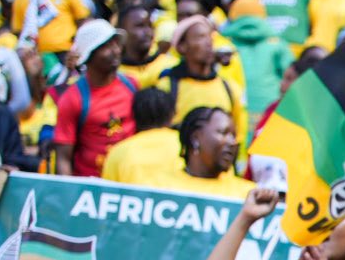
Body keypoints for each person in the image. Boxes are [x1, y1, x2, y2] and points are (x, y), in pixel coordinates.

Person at [52, 19, 135, 177]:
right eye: (106, 47)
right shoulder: (73, 98)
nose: (116, 50)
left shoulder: (131, 85)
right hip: (91, 187)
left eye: (116, 44)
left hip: (127, 184)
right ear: (89, 55)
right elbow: (63, 157)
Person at [159, 16, 248, 149]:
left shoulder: (230, 88)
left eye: (210, 36)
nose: (209, 42)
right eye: (200, 37)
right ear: (182, 47)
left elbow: (239, 135)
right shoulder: (166, 87)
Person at [152, 105, 255, 197]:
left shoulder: (248, 195)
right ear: (195, 138)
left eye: (234, 135)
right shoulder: (157, 189)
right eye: (223, 133)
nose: (233, 142)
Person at [99, 86, 182, 185]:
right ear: (172, 115)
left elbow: (107, 193)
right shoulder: (185, 146)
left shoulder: (118, 152)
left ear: (133, 115)